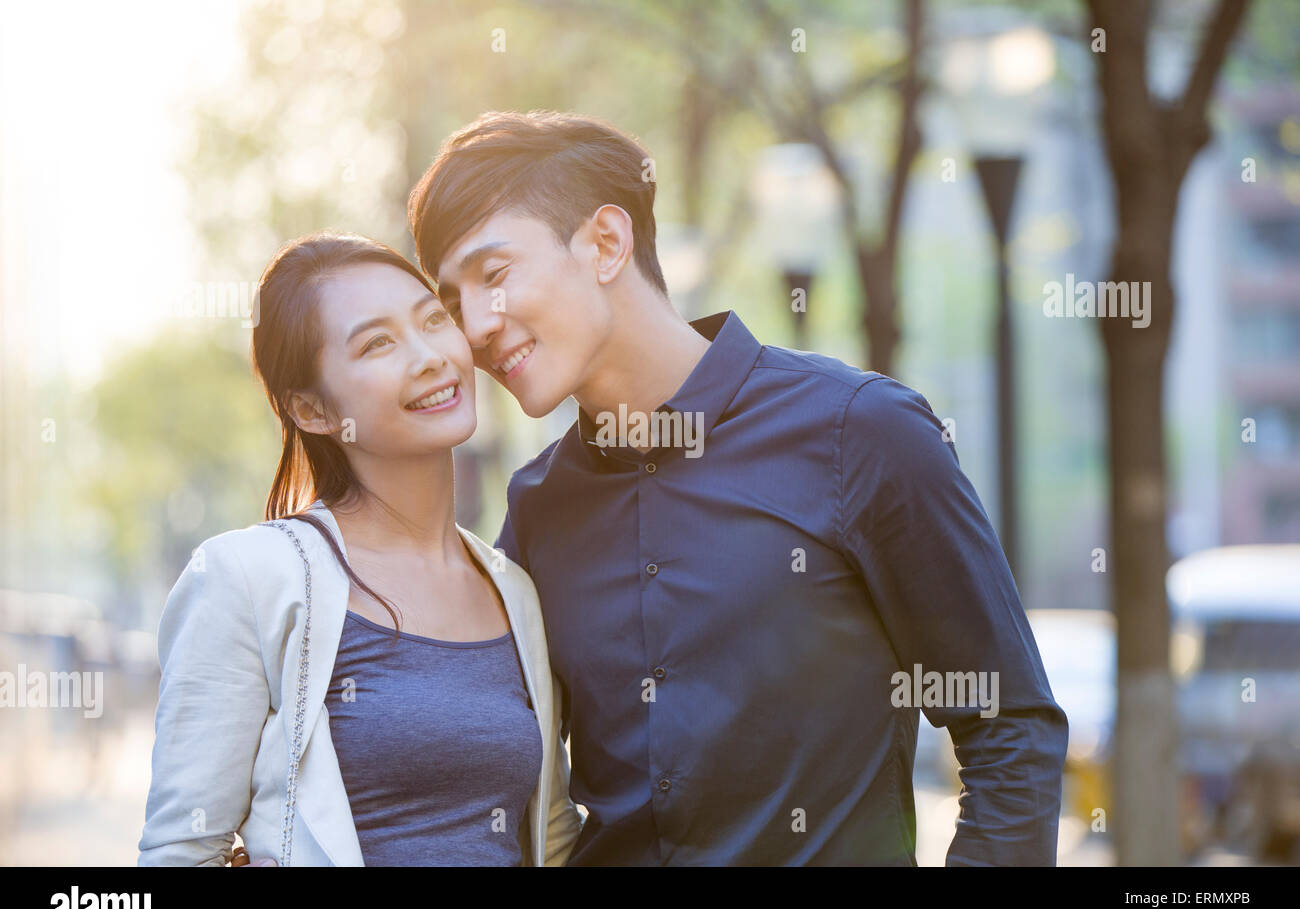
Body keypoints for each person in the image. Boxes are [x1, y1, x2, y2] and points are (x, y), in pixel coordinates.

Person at [408, 110, 1070, 865]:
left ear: (605, 243)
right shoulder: (535, 506)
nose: (474, 326)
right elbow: (493, 774)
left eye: (492, 276)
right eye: (453, 299)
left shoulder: (861, 434)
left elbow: (1008, 730)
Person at [138, 232, 582, 866]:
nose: (429, 356)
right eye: (378, 343)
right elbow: (180, 851)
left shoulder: (514, 589)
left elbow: (552, 835)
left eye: (434, 320)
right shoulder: (248, 579)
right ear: (312, 409)